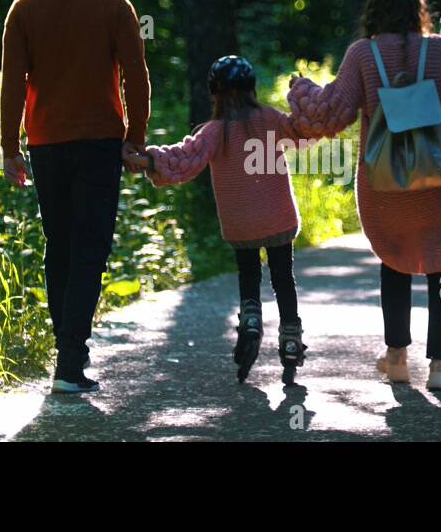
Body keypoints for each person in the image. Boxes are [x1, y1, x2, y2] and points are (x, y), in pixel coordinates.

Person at [286, 0, 441, 390]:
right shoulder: (439, 51)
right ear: (416, 11)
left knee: (395, 260)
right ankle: (440, 367)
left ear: (373, 11)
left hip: (384, 180)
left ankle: (397, 358)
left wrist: (302, 91)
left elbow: (332, 111)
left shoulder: (361, 55)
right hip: (440, 178)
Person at [0, 0, 151, 394]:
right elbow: (136, 78)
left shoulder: (23, 8)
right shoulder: (114, 5)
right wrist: (135, 140)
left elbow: (12, 84)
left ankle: (66, 353)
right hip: (100, 145)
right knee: (90, 248)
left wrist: (10, 147)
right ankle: (70, 359)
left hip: (46, 144)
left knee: (59, 243)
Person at [124, 56, 308, 386]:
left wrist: (148, 158)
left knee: (249, 274)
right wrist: (302, 92)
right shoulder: (270, 119)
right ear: (251, 88)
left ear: (214, 92)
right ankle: (291, 336)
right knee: (283, 278)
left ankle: (251, 320)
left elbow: (185, 157)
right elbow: (303, 132)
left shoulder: (214, 131)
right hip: (278, 216)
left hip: (241, 223)